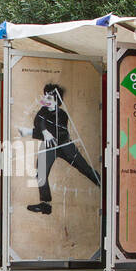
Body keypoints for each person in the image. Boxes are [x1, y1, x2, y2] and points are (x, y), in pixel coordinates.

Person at [16, 83, 100, 214]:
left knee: (84, 168)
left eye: (49, 98)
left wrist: (32, 132)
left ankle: (103, 185)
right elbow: (38, 121)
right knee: (41, 174)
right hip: (49, 147)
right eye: (45, 96)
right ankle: (45, 205)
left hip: (64, 146)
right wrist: (43, 131)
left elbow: (56, 133)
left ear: (57, 101)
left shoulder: (62, 114)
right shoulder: (43, 111)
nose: (45, 99)